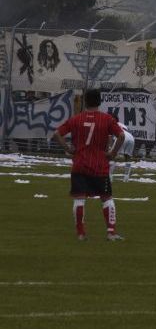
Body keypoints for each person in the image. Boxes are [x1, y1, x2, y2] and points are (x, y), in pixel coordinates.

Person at [52, 89, 126, 241]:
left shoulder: (76, 119)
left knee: (79, 199)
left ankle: (80, 233)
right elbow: (122, 136)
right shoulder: (107, 119)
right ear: (99, 102)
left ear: (85, 101)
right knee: (107, 198)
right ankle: (111, 233)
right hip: (100, 166)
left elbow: (57, 134)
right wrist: (112, 153)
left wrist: (68, 149)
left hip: (80, 165)